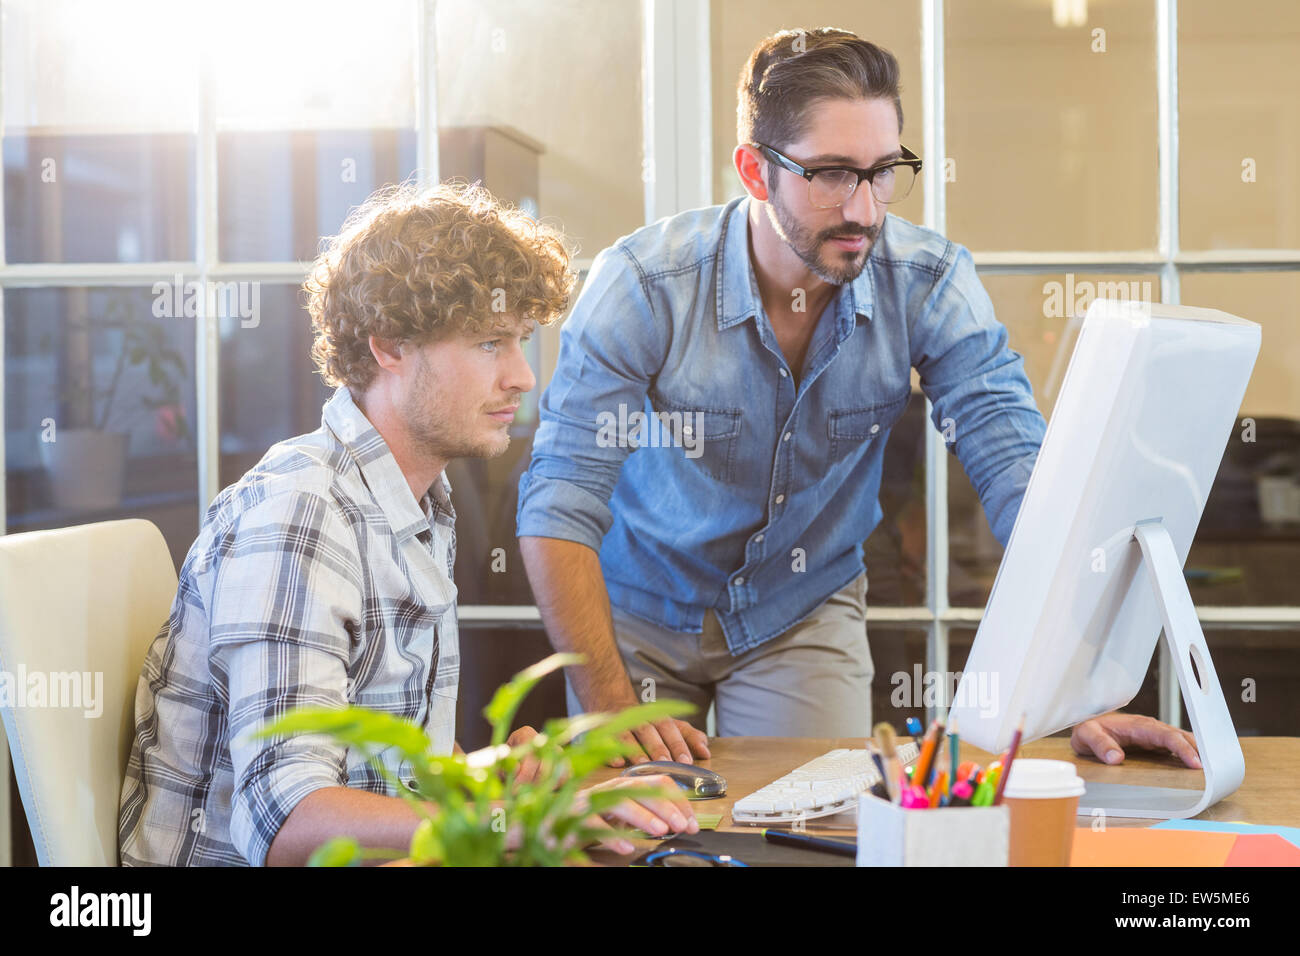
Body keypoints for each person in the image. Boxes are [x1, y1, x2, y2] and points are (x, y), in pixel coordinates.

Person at [516, 28, 1202, 773]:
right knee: (643, 821)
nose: (866, 209)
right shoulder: (644, 285)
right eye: (833, 174)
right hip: (637, 609)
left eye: (882, 172)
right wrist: (611, 707)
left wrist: (1082, 688)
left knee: (822, 824)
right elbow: (559, 503)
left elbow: (1021, 477)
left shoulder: (928, 281)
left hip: (799, 608)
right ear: (755, 170)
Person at [119, 181, 697, 867]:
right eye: (490, 343)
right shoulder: (300, 513)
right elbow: (287, 820)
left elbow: (378, 768)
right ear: (389, 345)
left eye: (521, 342)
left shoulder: (418, 502)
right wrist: (512, 823)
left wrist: (481, 781)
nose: (522, 377)